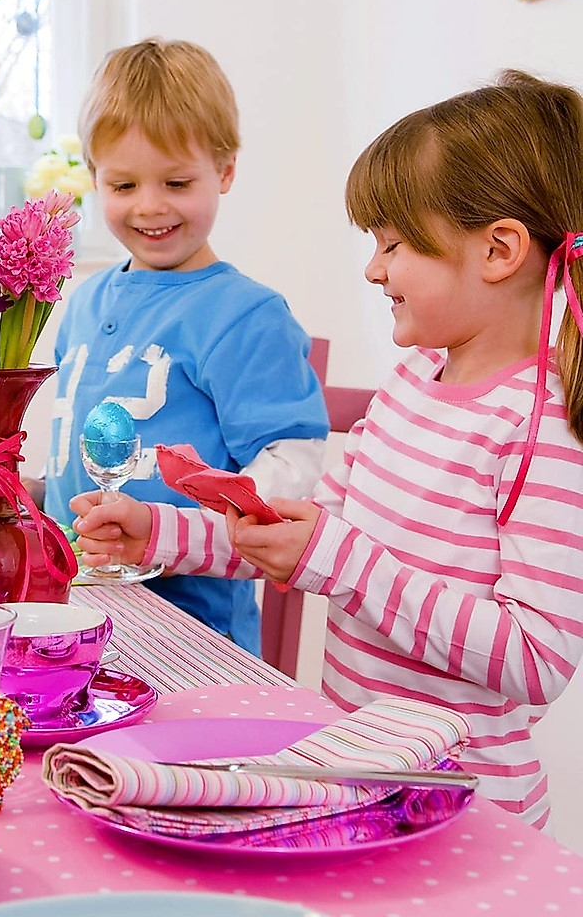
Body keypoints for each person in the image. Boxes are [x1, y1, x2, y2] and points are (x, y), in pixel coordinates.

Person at [71, 69, 583, 829]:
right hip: (356, 779)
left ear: (499, 249)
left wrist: (343, 562)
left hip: (466, 813)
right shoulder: (411, 383)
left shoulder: (542, 428)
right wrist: (161, 533)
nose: (374, 268)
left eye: (395, 244)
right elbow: (300, 533)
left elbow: (536, 660)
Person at [41, 38, 329, 653]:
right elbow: (72, 455)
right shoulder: (83, 304)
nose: (150, 206)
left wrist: (173, 532)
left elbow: (290, 470)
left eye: (176, 181)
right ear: (93, 177)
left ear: (224, 170)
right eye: (123, 185)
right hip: (74, 618)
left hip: (196, 639)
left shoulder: (247, 316)